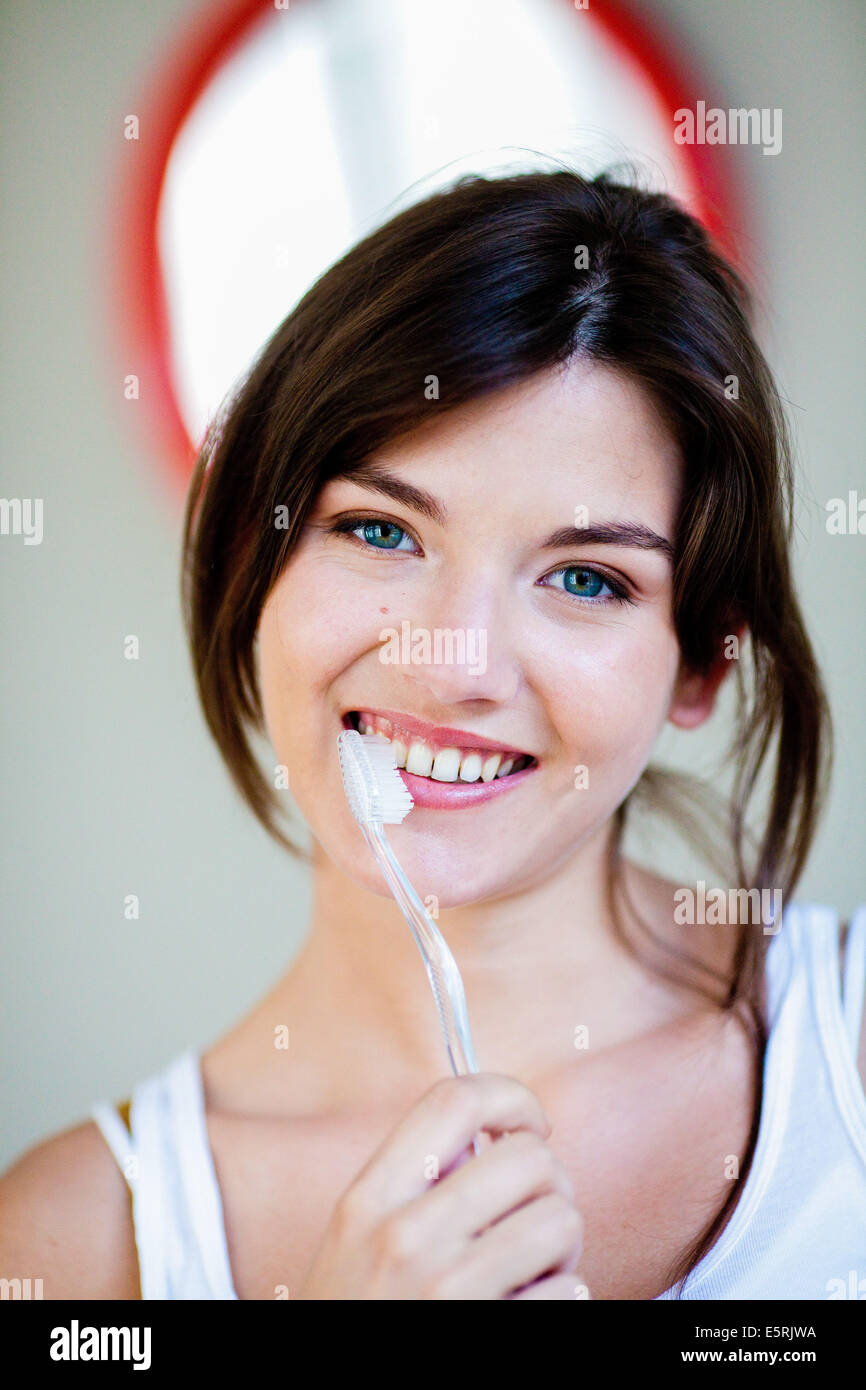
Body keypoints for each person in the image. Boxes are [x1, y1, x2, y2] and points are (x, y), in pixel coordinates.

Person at [2, 167, 864, 1300]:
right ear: (252, 572)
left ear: (700, 663)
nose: (452, 663)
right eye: (378, 529)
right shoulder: (65, 1247)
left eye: (585, 579)